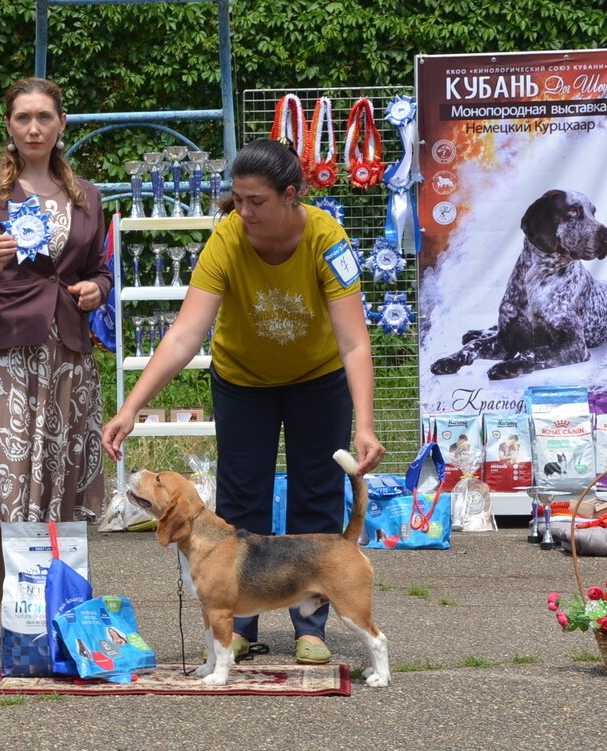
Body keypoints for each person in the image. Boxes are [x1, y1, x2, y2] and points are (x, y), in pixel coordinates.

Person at [102, 138, 385, 665]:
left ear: (290, 196)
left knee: (317, 494)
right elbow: (185, 335)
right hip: (242, 381)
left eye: (256, 201)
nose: (243, 211)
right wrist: (131, 407)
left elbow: (354, 341)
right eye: (237, 199)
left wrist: (364, 424)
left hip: (316, 380)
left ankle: (311, 625)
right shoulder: (226, 239)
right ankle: (239, 625)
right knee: (241, 496)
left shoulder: (327, 237)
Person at [0, 77, 112, 601]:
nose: (34, 127)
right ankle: (14, 614)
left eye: (45, 117)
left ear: (62, 124)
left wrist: (96, 290)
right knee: (9, 487)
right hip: (9, 361)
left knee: (63, 485)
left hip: (70, 357)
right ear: (8, 126)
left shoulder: (86, 195)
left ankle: (62, 611)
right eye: (23, 118)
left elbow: (99, 271)